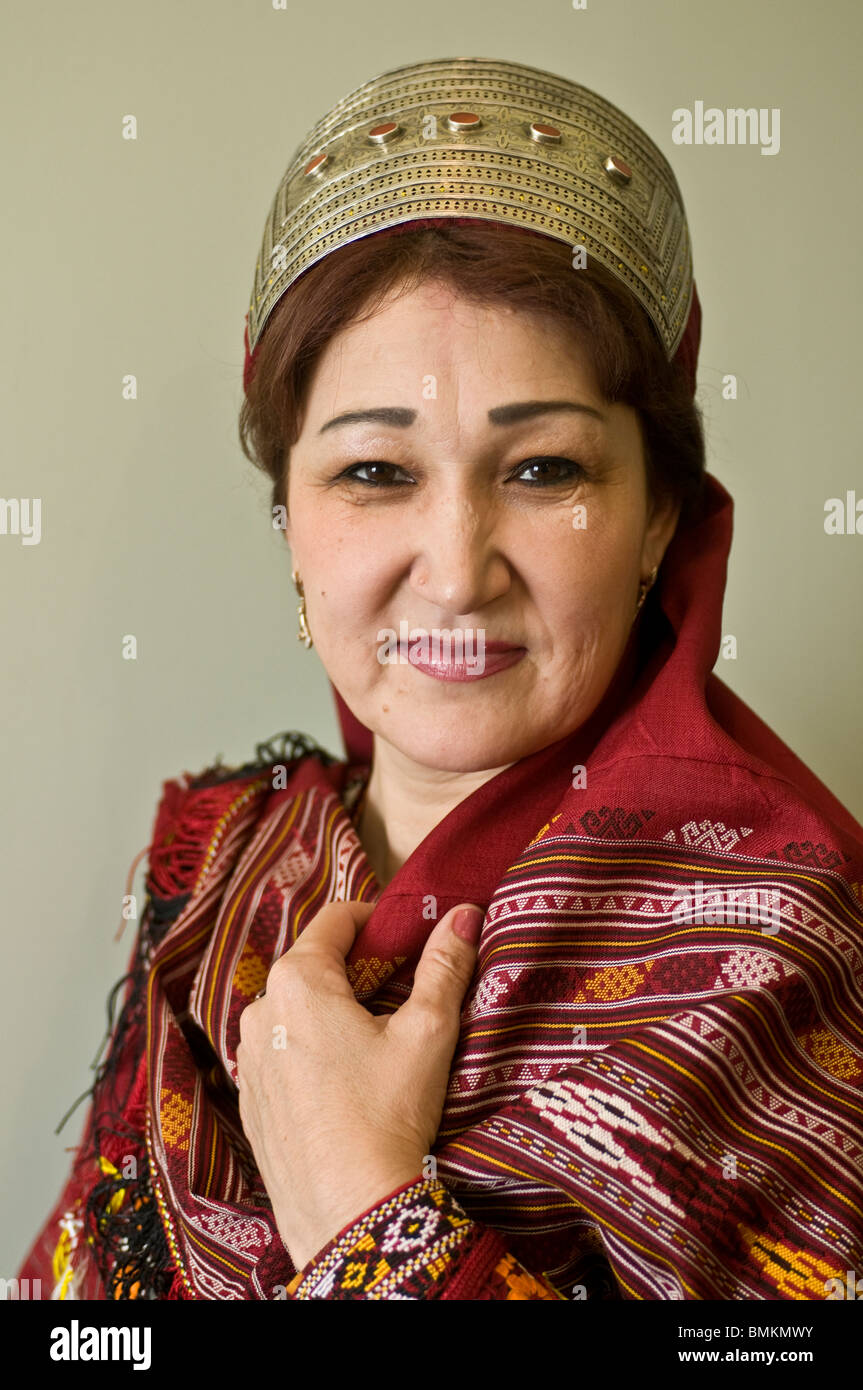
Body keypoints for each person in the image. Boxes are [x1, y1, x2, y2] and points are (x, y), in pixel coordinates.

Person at [19, 56, 863, 1302]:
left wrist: (369, 1218)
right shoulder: (221, 867)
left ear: (655, 521)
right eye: (373, 473)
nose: (457, 574)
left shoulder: (792, 958)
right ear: (290, 523)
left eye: (543, 471)